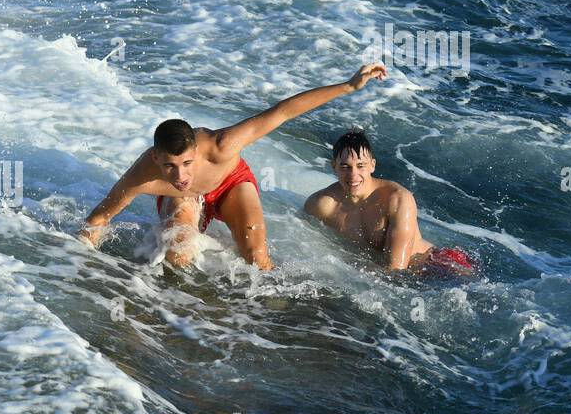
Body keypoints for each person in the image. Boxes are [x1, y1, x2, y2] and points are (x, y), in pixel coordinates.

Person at [80, 63, 389, 268]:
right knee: (178, 252)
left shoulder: (222, 145)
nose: (182, 175)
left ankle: (264, 319)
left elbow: (283, 112)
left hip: (229, 182)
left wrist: (349, 86)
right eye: (170, 167)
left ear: (197, 153)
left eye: (187, 163)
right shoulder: (142, 175)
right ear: (156, 159)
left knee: (256, 256)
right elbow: (99, 217)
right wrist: (79, 262)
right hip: (183, 201)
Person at [303, 129, 476, 275]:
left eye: (361, 166)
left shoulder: (397, 199)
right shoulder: (321, 205)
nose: (353, 175)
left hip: (437, 267)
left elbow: (395, 271)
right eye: (345, 167)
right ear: (334, 166)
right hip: (384, 275)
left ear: (372, 165)